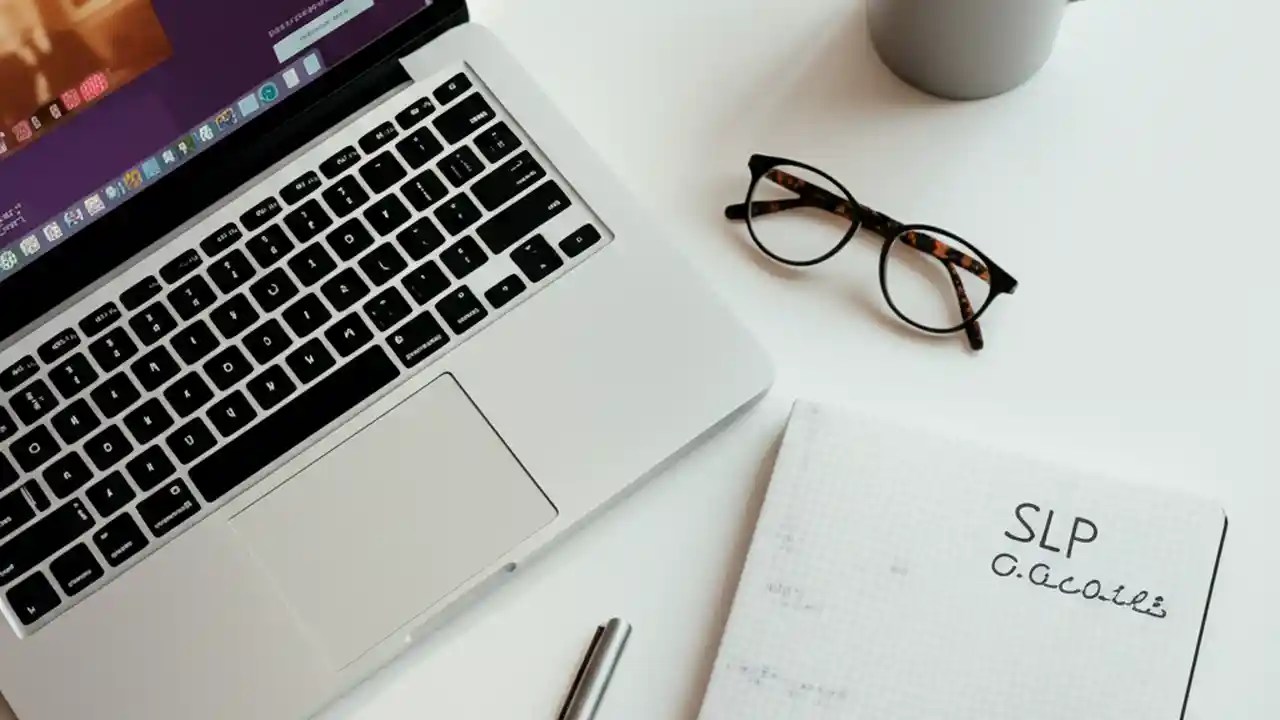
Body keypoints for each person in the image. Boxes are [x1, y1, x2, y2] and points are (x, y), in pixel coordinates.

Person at [0, 0, 103, 133]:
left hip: (91, 123)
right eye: (4, 13)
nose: (15, 18)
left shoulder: (69, 39)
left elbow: (101, 80)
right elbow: (11, 132)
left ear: (35, 9)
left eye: (19, 6)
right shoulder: (4, 75)